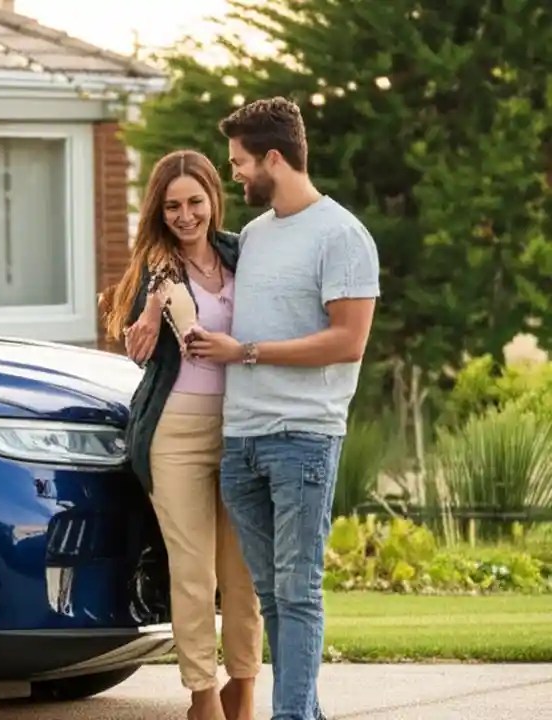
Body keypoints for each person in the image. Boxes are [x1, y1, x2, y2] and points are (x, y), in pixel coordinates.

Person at [186, 97, 380, 720]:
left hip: (302, 439)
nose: (234, 173)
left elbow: (347, 340)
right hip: (241, 440)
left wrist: (245, 351)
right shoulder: (255, 237)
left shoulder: (342, 235)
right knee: (271, 594)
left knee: (297, 592)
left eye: (240, 162)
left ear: (274, 158)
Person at [105, 149, 263, 720]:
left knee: (243, 572)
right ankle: (203, 698)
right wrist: (150, 313)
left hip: (242, 429)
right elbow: (166, 292)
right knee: (193, 571)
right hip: (174, 433)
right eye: (172, 205)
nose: (185, 215)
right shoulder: (161, 265)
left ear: (213, 199)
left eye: (195, 201)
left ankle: (242, 690)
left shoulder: (243, 253)